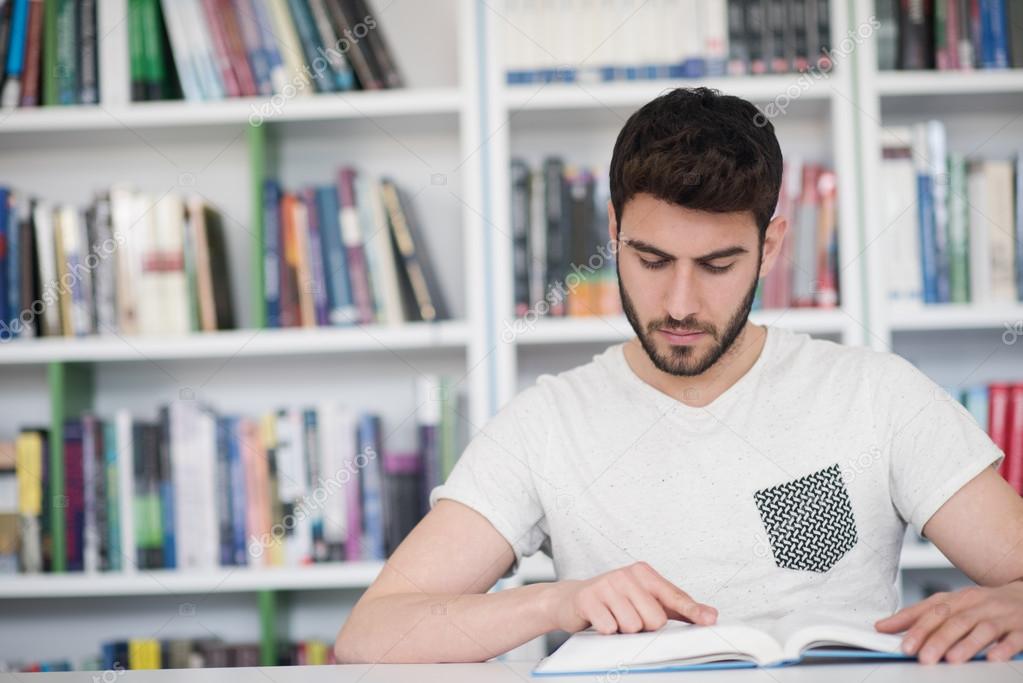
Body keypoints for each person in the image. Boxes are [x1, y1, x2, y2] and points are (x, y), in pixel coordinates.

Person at [334, 87, 1023, 666]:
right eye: (652, 260)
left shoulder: (877, 395)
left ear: (769, 246)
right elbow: (369, 637)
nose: (680, 304)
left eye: (718, 265)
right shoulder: (545, 423)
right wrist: (555, 600)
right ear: (613, 232)